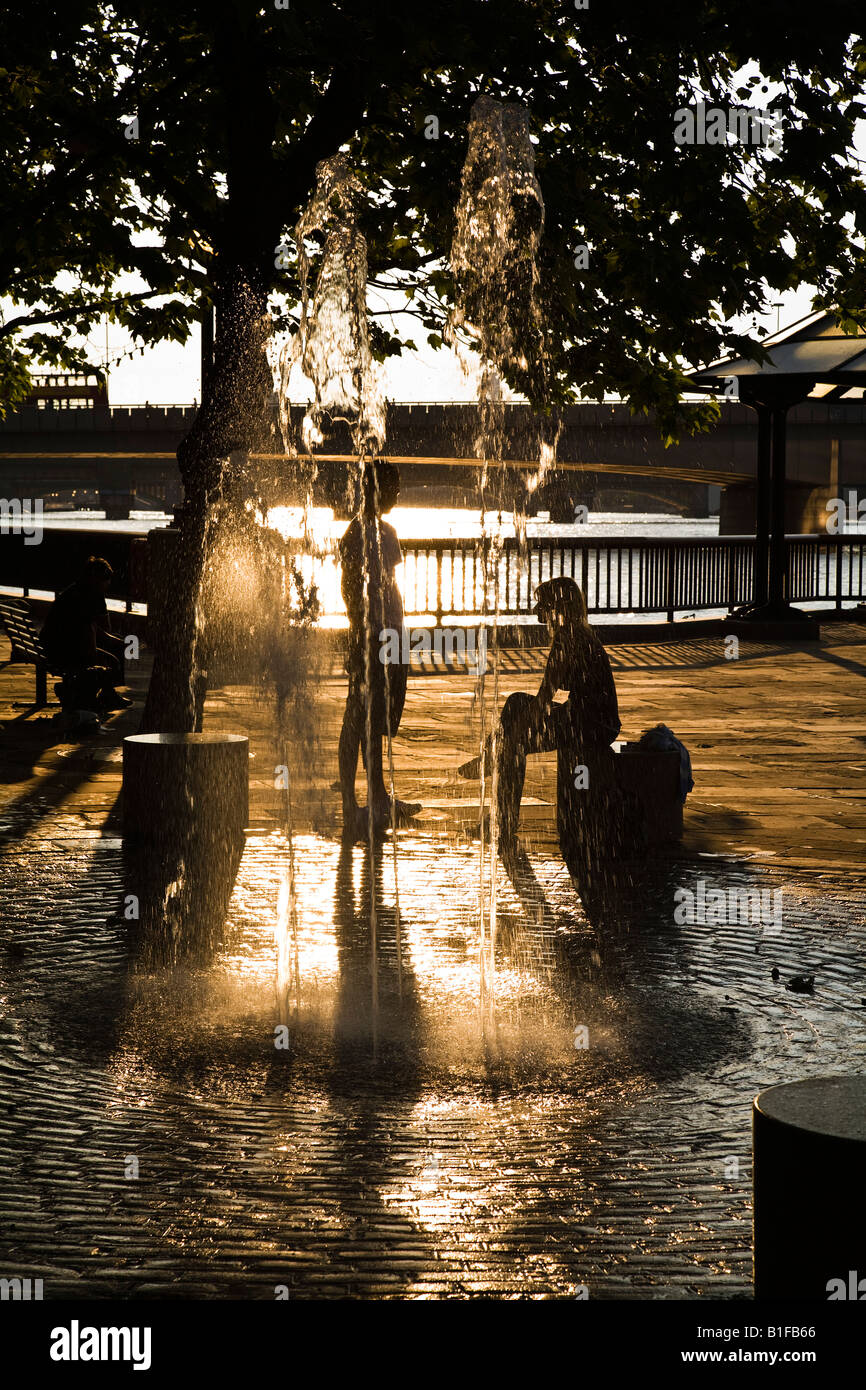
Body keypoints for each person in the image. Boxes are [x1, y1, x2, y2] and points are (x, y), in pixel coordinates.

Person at [458, 576, 620, 855]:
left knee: (513, 743)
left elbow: (544, 699)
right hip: (592, 718)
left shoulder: (567, 638)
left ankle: (501, 815)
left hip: (590, 724)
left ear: (557, 606)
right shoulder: (578, 632)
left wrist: (509, 737)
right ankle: (500, 802)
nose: (536, 611)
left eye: (542, 604)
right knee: (516, 706)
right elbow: (543, 702)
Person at [338, 461, 421, 840]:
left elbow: (388, 584)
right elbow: (350, 587)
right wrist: (363, 630)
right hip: (371, 636)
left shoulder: (386, 531)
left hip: (390, 634)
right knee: (357, 716)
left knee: (377, 719)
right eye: (394, 489)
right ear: (377, 489)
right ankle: (352, 805)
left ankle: (378, 796)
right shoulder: (358, 532)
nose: (398, 496)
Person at [40, 555, 132, 716]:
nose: (108, 584)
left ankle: (104, 693)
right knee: (114, 655)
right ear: (98, 580)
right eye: (106, 580)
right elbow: (103, 629)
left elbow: (93, 630)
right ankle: (93, 695)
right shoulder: (91, 595)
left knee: (113, 648)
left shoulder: (74, 590)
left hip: (52, 647)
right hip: (65, 652)